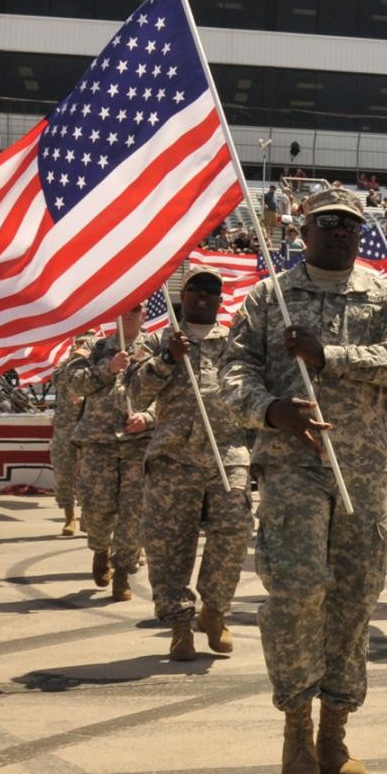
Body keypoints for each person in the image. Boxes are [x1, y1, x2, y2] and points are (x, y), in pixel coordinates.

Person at [220, 186, 387, 774]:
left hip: (364, 475)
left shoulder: (385, 294)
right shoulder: (269, 298)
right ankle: (295, 734)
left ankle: (334, 733)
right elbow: (232, 372)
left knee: (355, 602)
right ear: (302, 231)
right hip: (292, 469)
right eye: (328, 223)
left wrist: (328, 355)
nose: (341, 231)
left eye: (351, 225)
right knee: (295, 596)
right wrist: (270, 409)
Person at [128, 271, 252, 662]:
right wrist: (167, 360)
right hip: (173, 457)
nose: (202, 296)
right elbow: (133, 391)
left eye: (211, 291)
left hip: (226, 452)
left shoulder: (236, 340)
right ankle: (180, 624)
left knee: (235, 528)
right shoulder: (156, 340)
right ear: (184, 295)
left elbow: (251, 383)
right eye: (196, 290)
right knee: (168, 545)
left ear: (220, 299)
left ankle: (214, 609)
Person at [62, 302, 155, 602]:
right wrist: (108, 368)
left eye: (136, 308)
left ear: (144, 314)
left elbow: (172, 390)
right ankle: (100, 548)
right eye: (124, 307)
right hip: (98, 441)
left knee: (134, 511)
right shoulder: (94, 347)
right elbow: (72, 383)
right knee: (97, 507)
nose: (129, 313)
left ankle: (123, 571)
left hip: (137, 443)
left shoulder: (156, 349)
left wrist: (149, 417)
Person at [49, 340, 91, 536]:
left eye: (87, 340)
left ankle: (87, 516)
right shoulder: (65, 364)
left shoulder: (99, 363)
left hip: (90, 426)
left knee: (90, 475)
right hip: (65, 428)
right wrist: (73, 360)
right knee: (64, 472)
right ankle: (69, 518)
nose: (83, 344)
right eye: (80, 340)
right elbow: (56, 380)